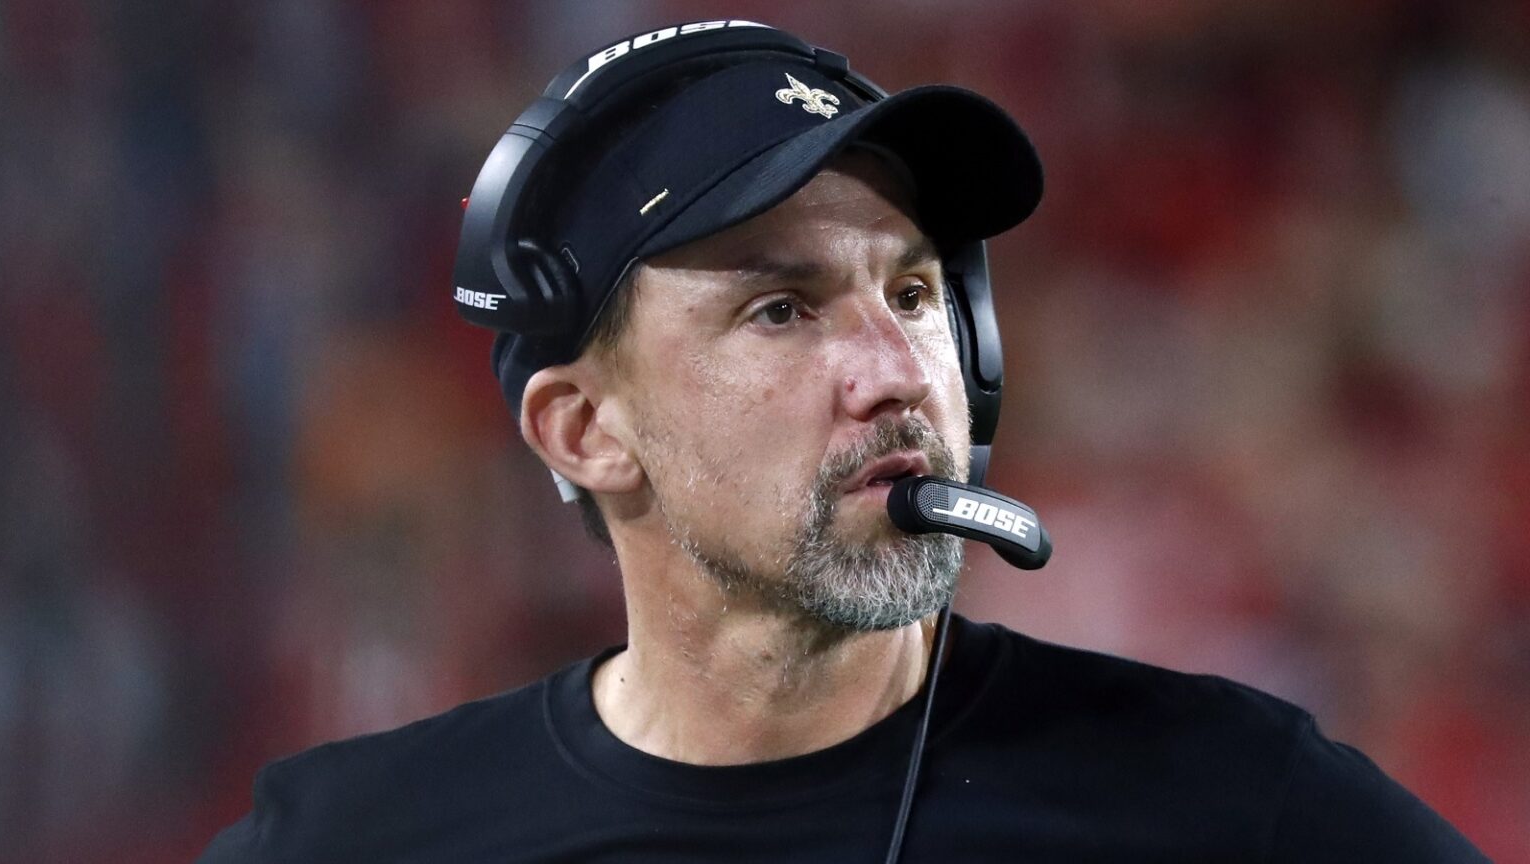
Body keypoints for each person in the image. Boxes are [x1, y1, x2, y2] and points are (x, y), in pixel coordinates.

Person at [199, 21, 1489, 863]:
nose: (897, 372)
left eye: (914, 294)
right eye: (781, 309)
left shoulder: (1230, 802)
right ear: (585, 430)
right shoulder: (345, 841)